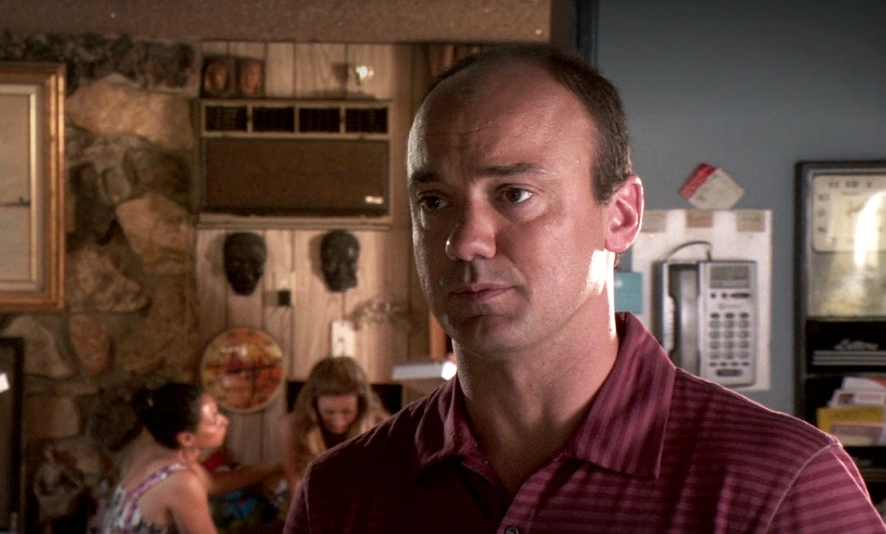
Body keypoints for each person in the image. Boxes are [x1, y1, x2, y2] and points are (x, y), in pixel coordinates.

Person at [283, 43, 886, 533]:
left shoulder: (783, 487)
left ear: (621, 216)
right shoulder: (340, 494)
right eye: (434, 202)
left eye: (514, 195)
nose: (465, 241)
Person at [104, 382, 281, 534]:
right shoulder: (180, 481)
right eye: (214, 420)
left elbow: (214, 483)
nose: (225, 421)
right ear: (186, 438)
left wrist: (276, 465)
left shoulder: (157, 449)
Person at [279, 356, 388, 500]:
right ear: (313, 406)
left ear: (361, 406)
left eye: (347, 412)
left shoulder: (381, 424)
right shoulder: (292, 426)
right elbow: (297, 487)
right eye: (329, 412)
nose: (338, 421)